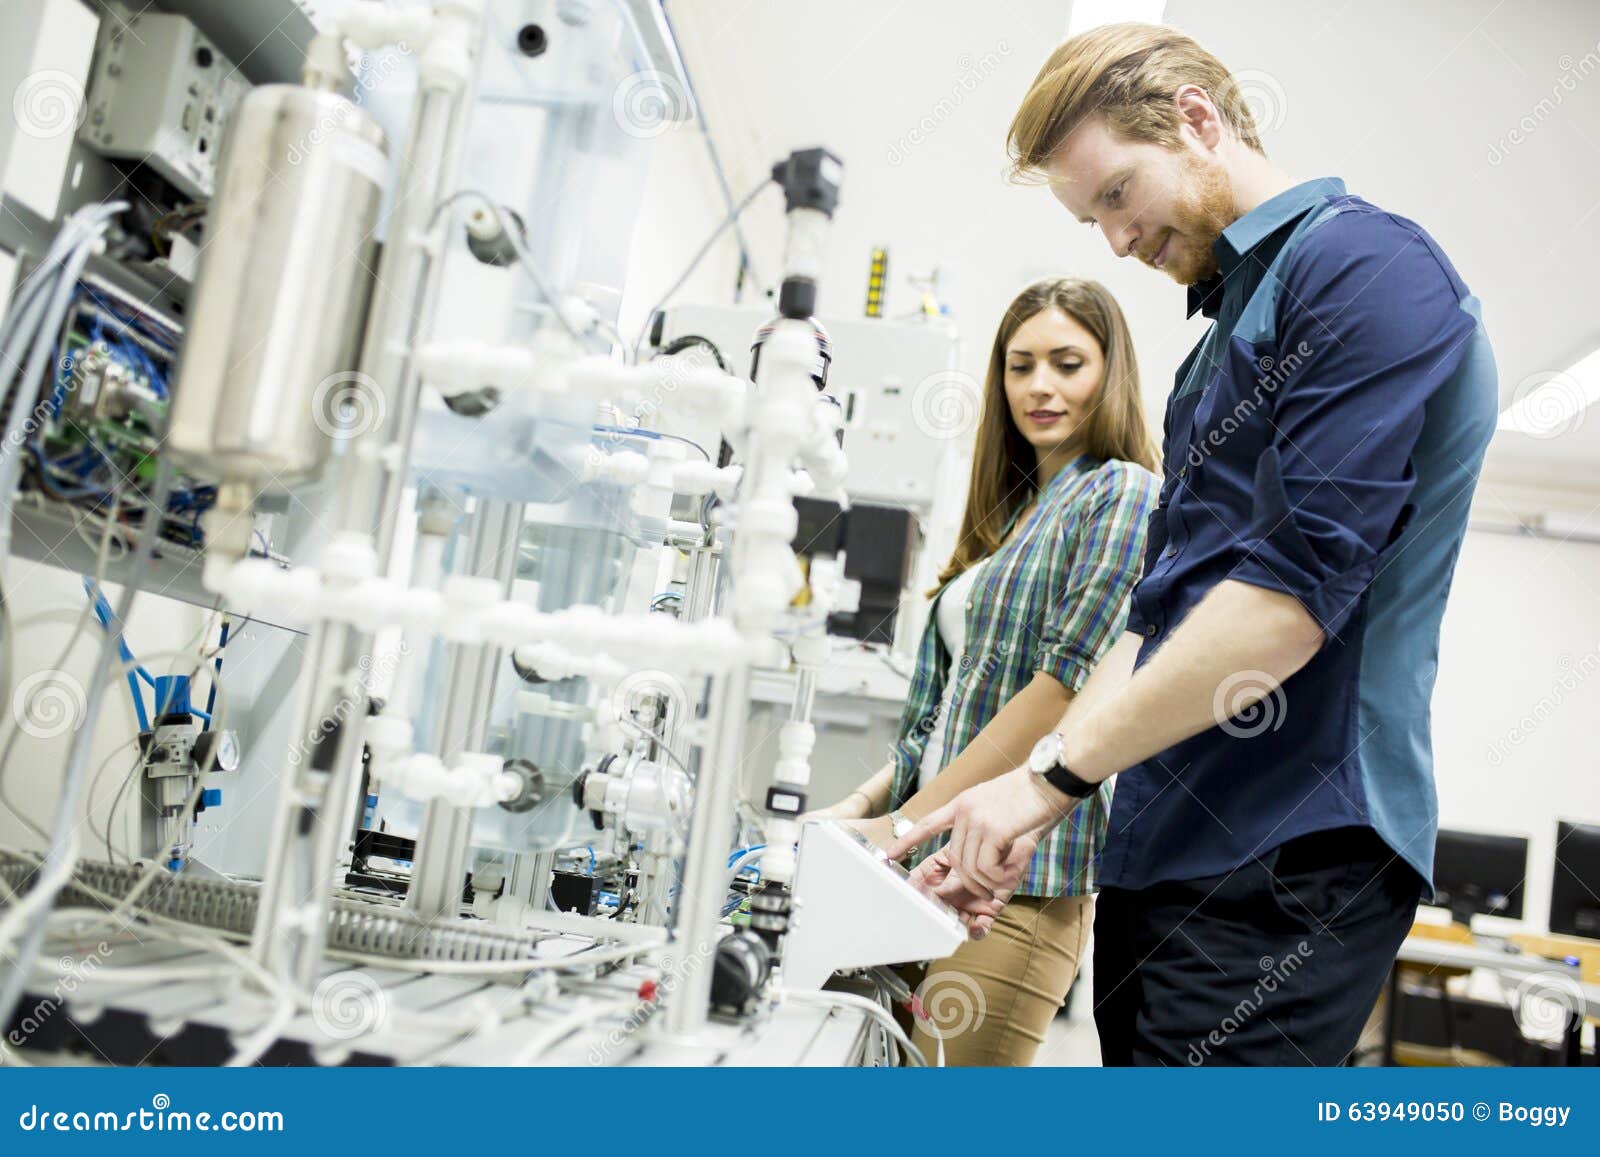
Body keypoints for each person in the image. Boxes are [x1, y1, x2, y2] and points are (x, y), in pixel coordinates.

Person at [890, 22, 1498, 1067]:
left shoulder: (1366, 268)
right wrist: (1028, 799)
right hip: (1163, 847)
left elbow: (1286, 599)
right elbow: (1156, 617)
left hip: (1294, 847)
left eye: (1117, 196)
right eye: (1092, 220)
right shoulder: (1213, 347)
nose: (1115, 242)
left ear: (1196, 120)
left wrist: (1047, 781)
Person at [811, 278, 1159, 1065]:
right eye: (1020, 364)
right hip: (910, 863)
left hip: (1012, 889)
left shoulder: (1122, 495)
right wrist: (859, 809)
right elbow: (933, 722)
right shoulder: (1003, 522)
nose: (1040, 385)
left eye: (1068, 363)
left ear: (1111, 374)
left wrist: (900, 829)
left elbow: (1060, 693)